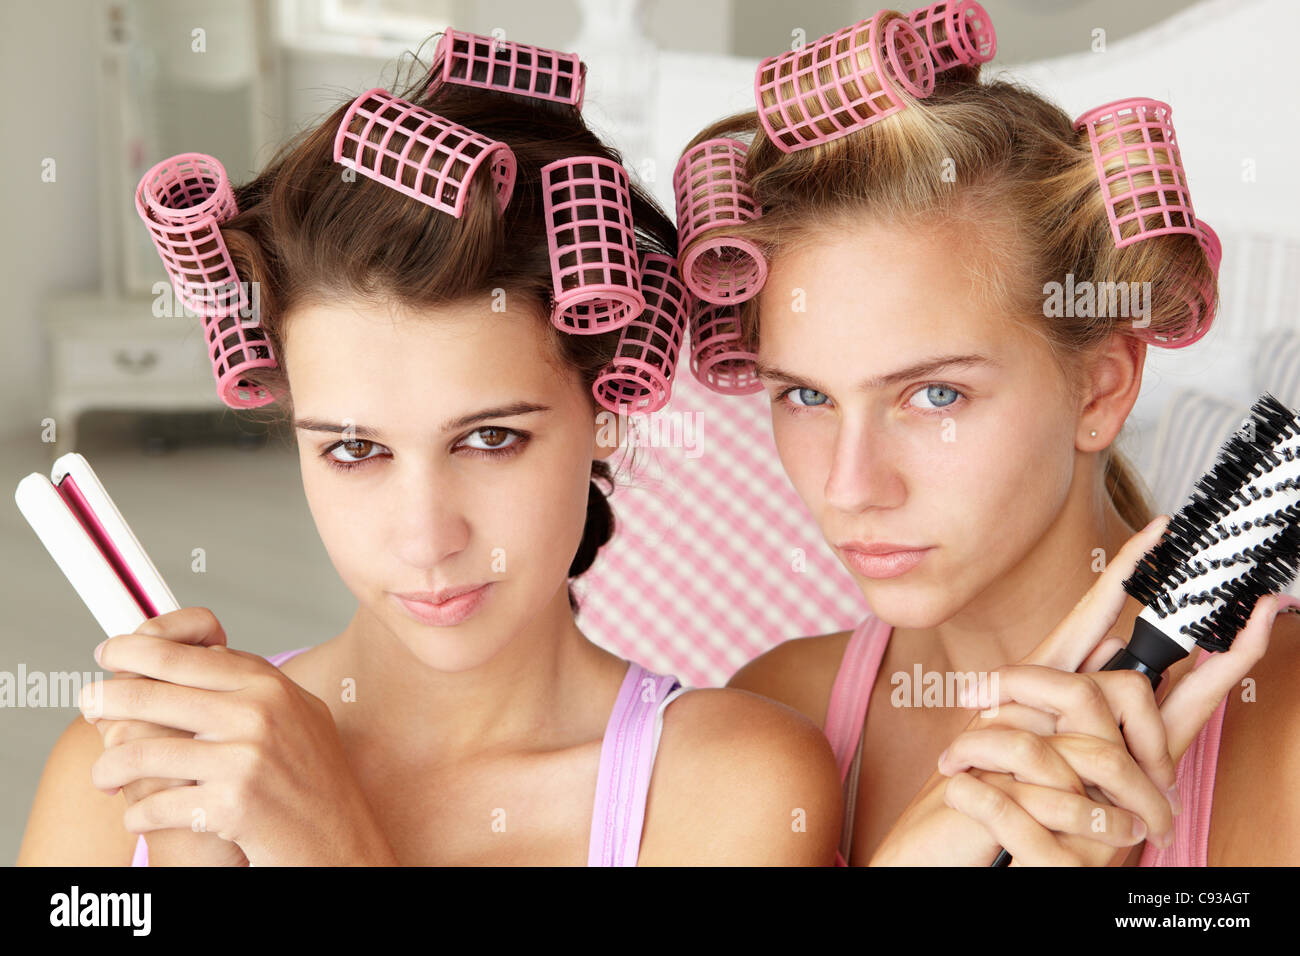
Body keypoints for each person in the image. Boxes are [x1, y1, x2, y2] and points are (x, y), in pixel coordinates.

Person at [16, 30, 847, 866]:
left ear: (610, 406)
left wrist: (329, 845)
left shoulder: (731, 789)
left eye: (491, 439)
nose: (425, 539)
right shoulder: (122, 780)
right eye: (354, 451)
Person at [676, 6, 1300, 865]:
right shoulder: (776, 720)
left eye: (935, 394)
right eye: (806, 396)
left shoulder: (1288, 734)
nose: (851, 486)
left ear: (1102, 385)